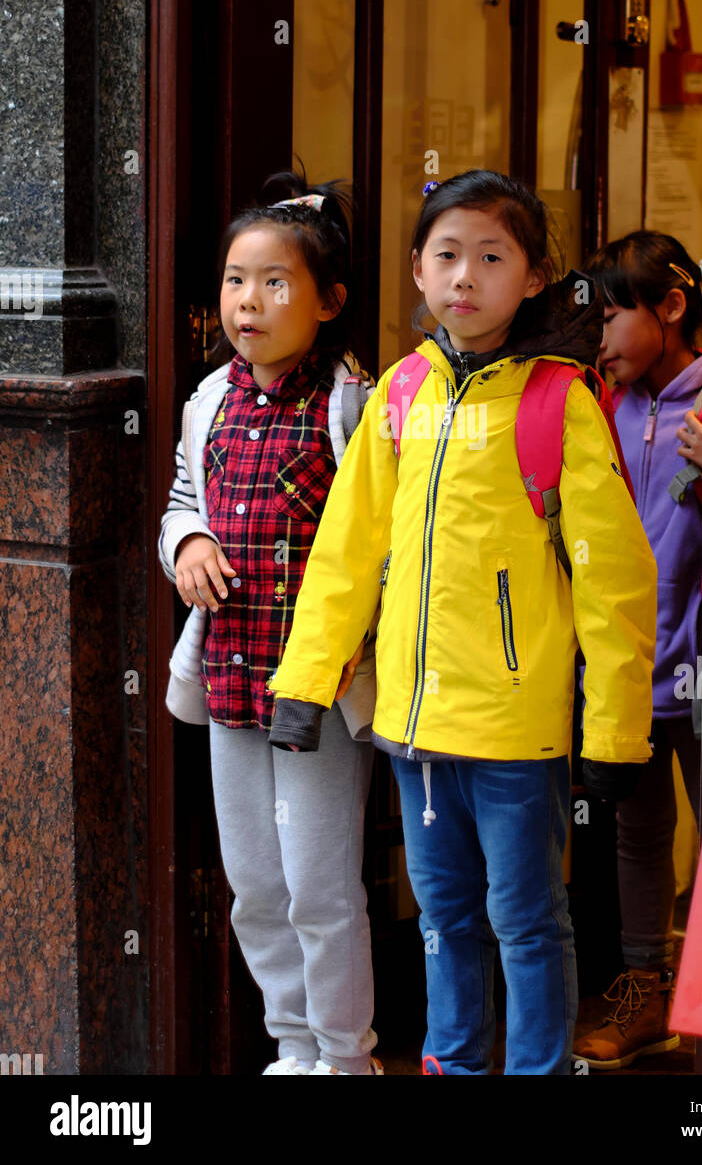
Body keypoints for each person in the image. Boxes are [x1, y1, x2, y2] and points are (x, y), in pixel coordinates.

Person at [267, 170, 656, 1076]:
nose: (465, 277)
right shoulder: (401, 394)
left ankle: (538, 1070)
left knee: (526, 921)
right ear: (416, 269)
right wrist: (304, 679)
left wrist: (616, 731)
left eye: (491, 257)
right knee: (444, 919)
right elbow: (347, 553)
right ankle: (452, 1064)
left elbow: (616, 583)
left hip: (515, 730)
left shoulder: (561, 402)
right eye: (447, 256)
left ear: (533, 277)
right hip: (413, 724)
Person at [158, 172, 382, 1077]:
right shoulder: (209, 398)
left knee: (320, 888)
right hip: (229, 679)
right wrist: (190, 544)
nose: (249, 302)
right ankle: (292, 1047)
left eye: (275, 282)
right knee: (254, 884)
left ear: (327, 301)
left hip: (316, 687)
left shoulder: (352, 403)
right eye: (235, 281)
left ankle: (346, 1054)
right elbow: (182, 499)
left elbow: (380, 538)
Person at [573, 231, 702, 1070]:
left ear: (671, 307)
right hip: (622, 668)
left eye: (614, 314)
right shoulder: (605, 411)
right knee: (637, 831)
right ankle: (645, 992)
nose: (601, 336)